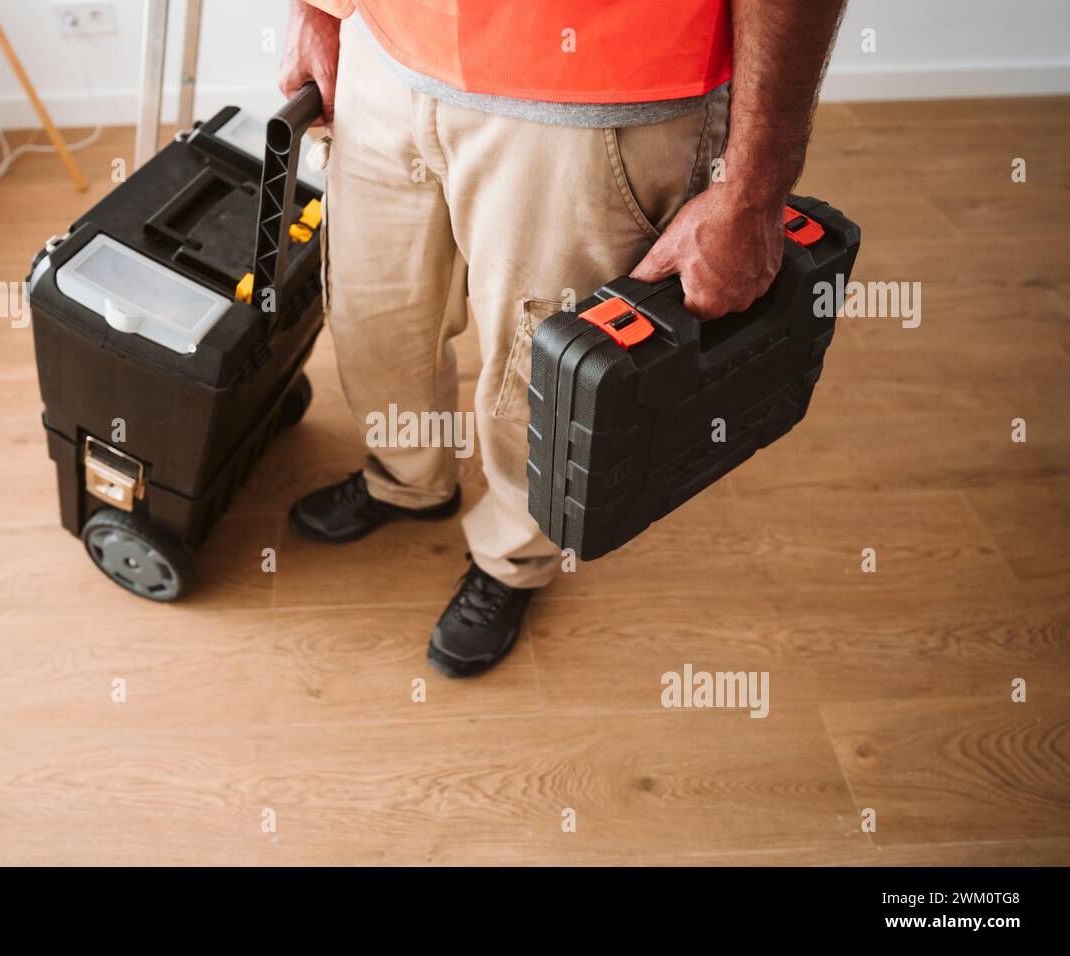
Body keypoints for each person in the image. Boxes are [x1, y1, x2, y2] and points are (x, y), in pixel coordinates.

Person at [279, 0, 847, 676]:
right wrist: (314, 8)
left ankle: (514, 557)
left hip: (595, 94)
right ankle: (405, 478)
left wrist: (754, 188)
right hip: (382, 45)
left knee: (544, 377)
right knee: (374, 315)